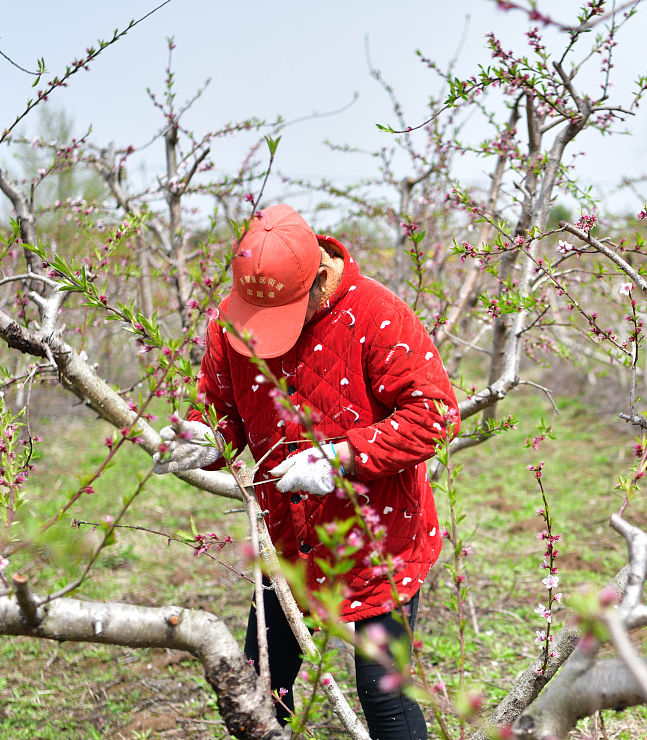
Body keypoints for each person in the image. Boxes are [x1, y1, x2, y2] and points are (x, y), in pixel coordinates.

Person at [153, 204, 459, 739]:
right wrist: (204, 439)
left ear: (319, 280)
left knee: (383, 698)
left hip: (377, 542)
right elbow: (224, 414)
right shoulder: (232, 323)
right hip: (287, 545)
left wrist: (344, 457)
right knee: (258, 691)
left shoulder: (377, 316)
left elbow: (435, 415)